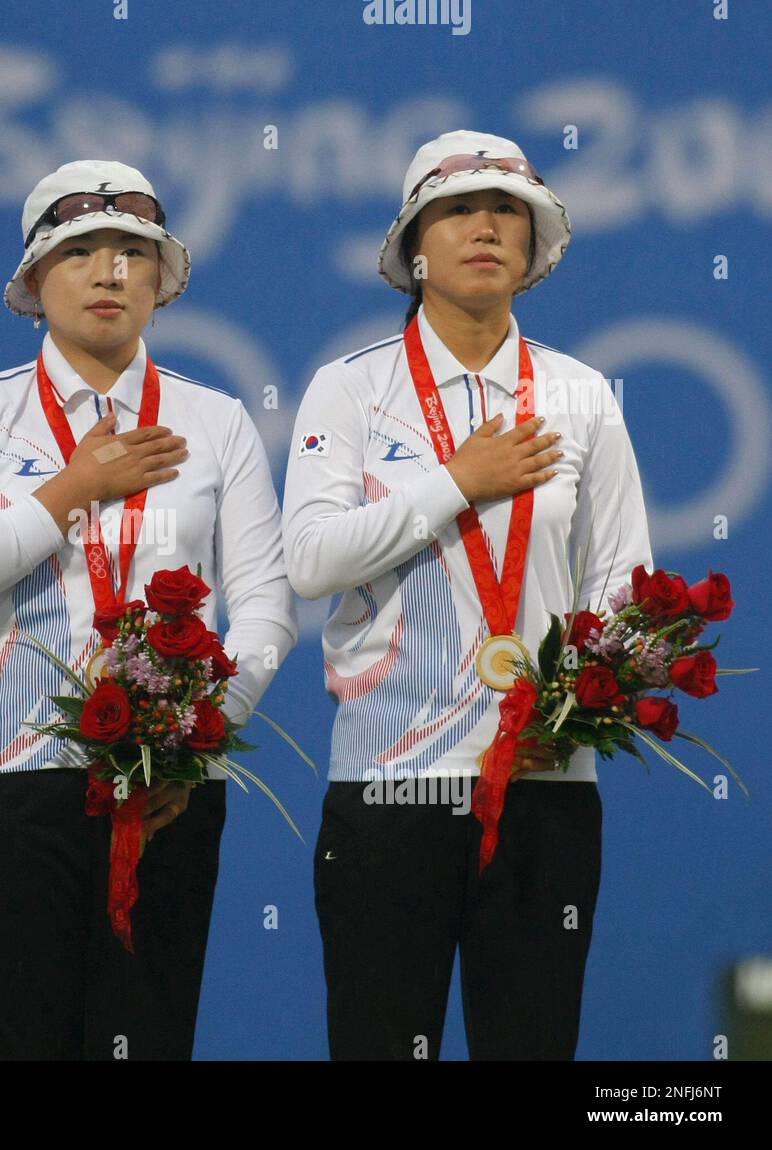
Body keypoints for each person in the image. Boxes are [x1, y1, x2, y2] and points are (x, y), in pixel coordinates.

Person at [0, 159, 297, 1060]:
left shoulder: (217, 421)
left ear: (161, 283)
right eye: (79, 250)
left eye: (133, 252)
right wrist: (72, 490)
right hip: (10, 785)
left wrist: (199, 738)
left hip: (168, 792)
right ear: (34, 282)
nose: (109, 271)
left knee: (148, 1043)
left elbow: (268, 612)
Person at [282, 130, 652, 1060]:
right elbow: (312, 561)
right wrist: (457, 480)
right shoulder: (350, 389)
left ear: (533, 252)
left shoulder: (579, 396)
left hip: (545, 785)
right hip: (386, 788)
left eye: (508, 213)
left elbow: (624, 584)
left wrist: (582, 706)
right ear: (414, 246)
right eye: (456, 210)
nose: (485, 225)